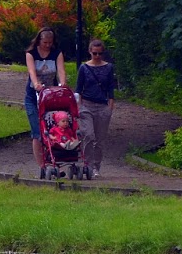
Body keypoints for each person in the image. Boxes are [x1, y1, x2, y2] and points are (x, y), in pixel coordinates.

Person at [24, 27, 66, 170]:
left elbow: (61, 70)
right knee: (38, 131)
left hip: (51, 95)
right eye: (45, 42)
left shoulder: (56, 53)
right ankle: (42, 165)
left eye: (50, 42)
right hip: (33, 96)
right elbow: (31, 71)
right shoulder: (31, 54)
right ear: (39, 40)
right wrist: (36, 84)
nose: (47, 45)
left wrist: (63, 83)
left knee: (54, 127)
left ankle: (54, 159)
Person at [75, 38, 117, 178]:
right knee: (88, 135)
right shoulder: (84, 68)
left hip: (103, 106)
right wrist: (79, 106)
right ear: (90, 52)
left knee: (100, 139)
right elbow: (78, 89)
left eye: (100, 53)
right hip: (86, 105)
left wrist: (110, 106)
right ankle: (88, 165)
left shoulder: (108, 67)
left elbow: (111, 88)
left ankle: (96, 167)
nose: (97, 56)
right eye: (95, 53)